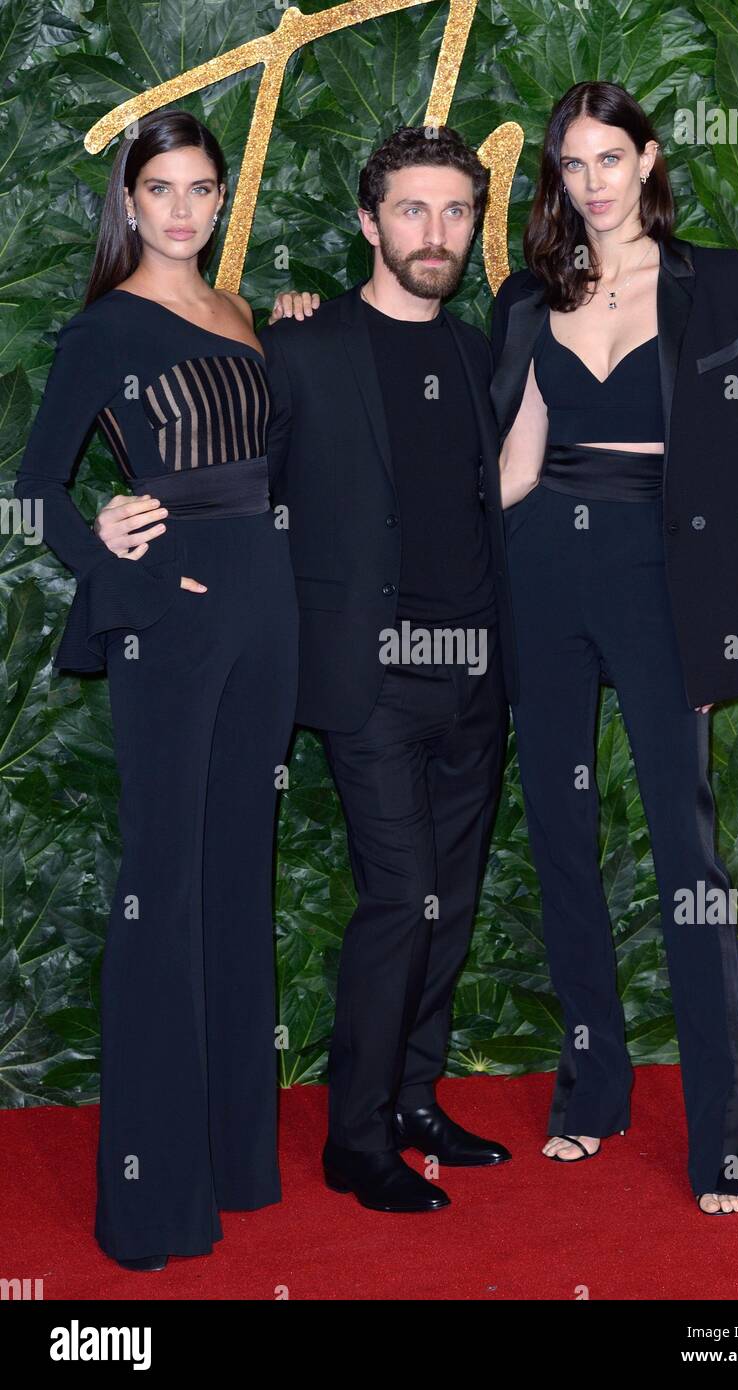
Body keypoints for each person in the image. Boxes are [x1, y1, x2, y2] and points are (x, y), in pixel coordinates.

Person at [89, 125, 520, 1215]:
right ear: (369, 224)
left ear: (472, 225)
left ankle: (417, 1099)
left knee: (451, 902)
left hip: (476, 667)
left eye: (454, 211)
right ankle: (355, 1138)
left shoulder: (474, 353)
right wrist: (131, 532)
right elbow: (227, 485)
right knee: (400, 900)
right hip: (364, 674)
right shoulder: (302, 343)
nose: (434, 232)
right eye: (411, 211)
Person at [491, 82, 738, 1212]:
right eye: (570, 165)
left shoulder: (718, 281)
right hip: (542, 567)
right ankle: (591, 1089)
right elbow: (514, 463)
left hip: (662, 574)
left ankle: (720, 1132)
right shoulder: (527, 297)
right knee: (561, 832)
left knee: (688, 857)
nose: (590, 184)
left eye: (607, 160)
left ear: (647, 160)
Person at [14, 110, 298, 1267]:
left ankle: (234, 1159)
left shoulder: (240, 314)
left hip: (269, 609)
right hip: (171, 617)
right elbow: (36, 487)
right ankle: (150, 1201)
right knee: (161, 890)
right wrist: (107, 543)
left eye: (200, 189)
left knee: (238, 882)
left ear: (221, 200)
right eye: (160, 189)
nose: (181, 208)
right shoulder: (103, 330)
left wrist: (298, 321)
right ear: (128, 202)